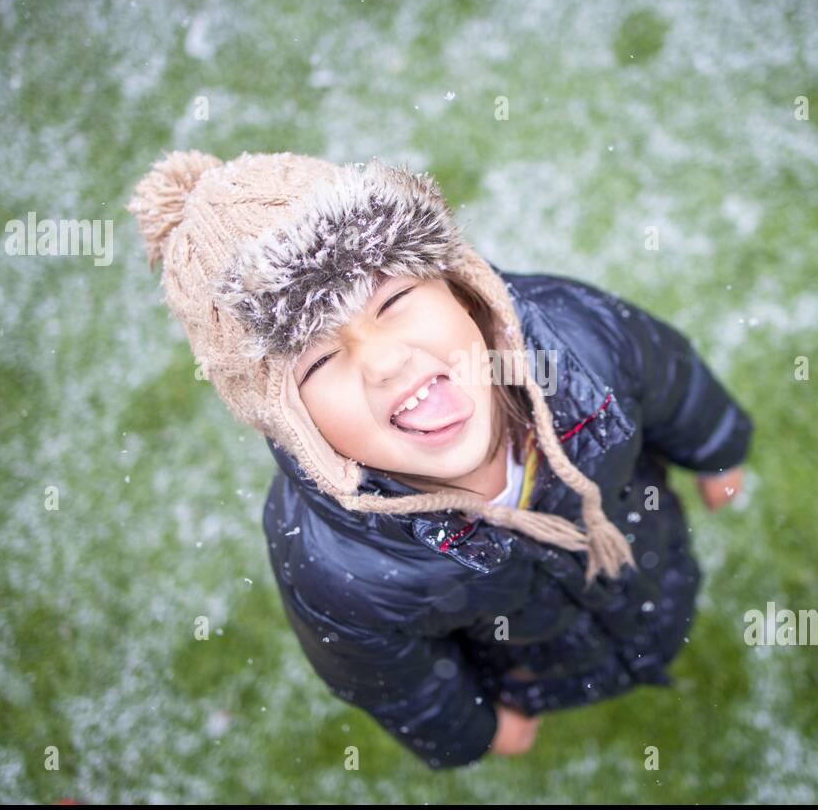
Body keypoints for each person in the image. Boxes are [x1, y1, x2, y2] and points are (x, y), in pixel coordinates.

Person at [127, 149, 753, 769]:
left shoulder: (581, 343)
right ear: (291, 420)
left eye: (393, 301)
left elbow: (676, 381)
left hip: (656, 564)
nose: (385, 360)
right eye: (318, 361)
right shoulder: (333, 564)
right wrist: (473, 729)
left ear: (458, 284)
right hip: (538, 665)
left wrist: (717, 451)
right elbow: (391, 679)